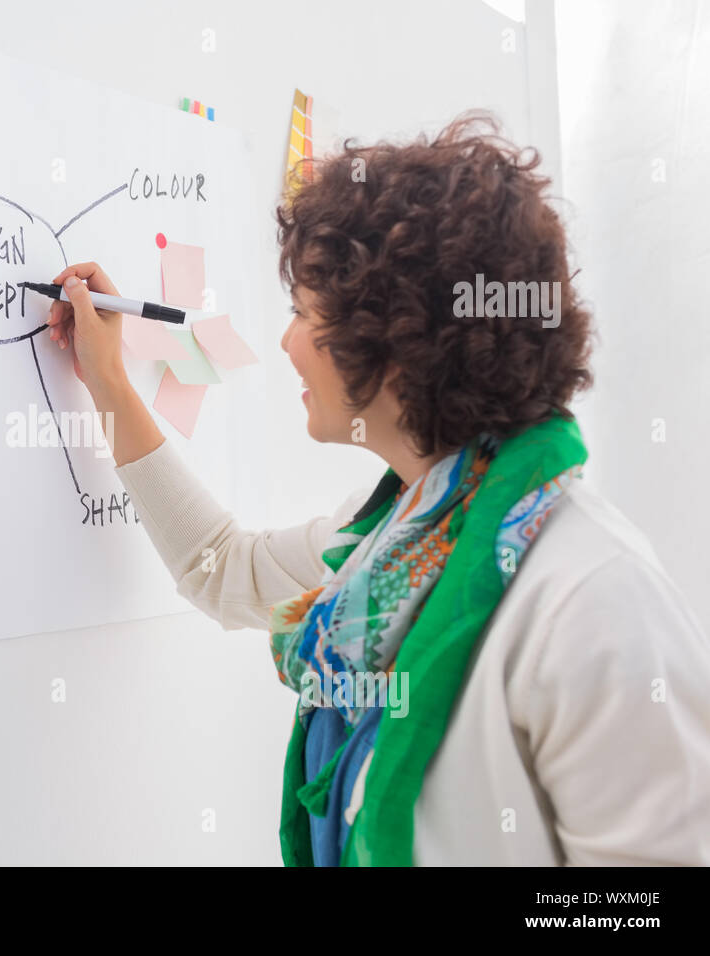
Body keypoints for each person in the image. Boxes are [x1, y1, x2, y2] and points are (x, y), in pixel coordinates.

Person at [42, 114, 710, 866]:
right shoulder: (393, 545)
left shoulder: (594, 601)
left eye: (301, 312)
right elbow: (220, 567)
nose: (288, 344)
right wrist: (108, 382)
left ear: (392, 341)